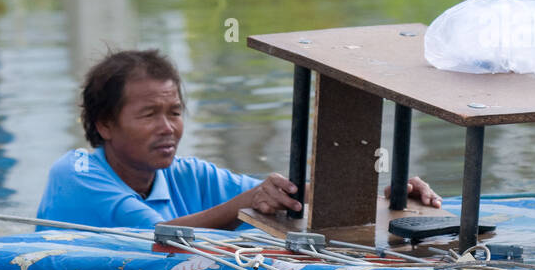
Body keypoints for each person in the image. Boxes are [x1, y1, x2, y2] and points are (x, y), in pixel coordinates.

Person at [37, 49, 440, 229]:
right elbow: (155, 237)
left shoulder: (190, 175)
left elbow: (288, 197)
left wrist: (388, 196)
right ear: (105, 125)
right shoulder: (77, 173)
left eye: (175, 112)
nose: (168, 127)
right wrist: (245, 204)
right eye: (149, 115)